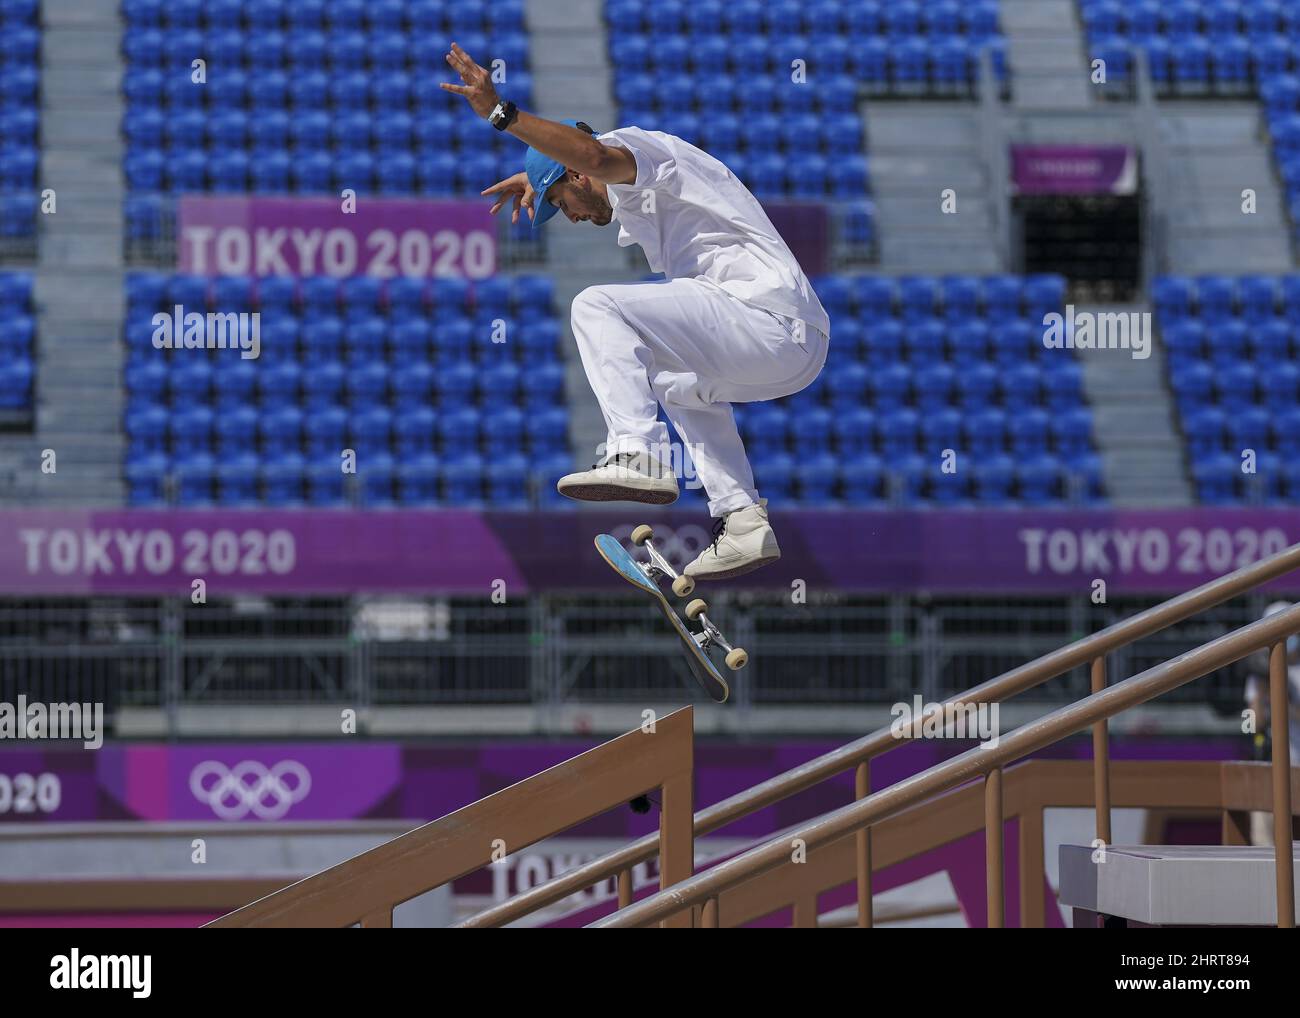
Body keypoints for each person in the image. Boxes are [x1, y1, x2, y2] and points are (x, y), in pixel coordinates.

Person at [441, 43, 830, 580]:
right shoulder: (626, 190)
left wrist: (503, 115)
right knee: (672, 381)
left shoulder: (640, 151)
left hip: (767, 317)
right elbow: (582, 165)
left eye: (562, 206)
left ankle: (638, 454)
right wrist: (540, 177)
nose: (571, 219)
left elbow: (594, 157)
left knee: (596, 305)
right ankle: (741, 519)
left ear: (575, 178)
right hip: (787, 346)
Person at [1242, 600, 1300, 845]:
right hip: (1273, 763)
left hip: (1298, 762)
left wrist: (1284, 699)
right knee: (1263, 827)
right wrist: (1260, 700)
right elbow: (1249, 726)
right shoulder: (1259, 675)